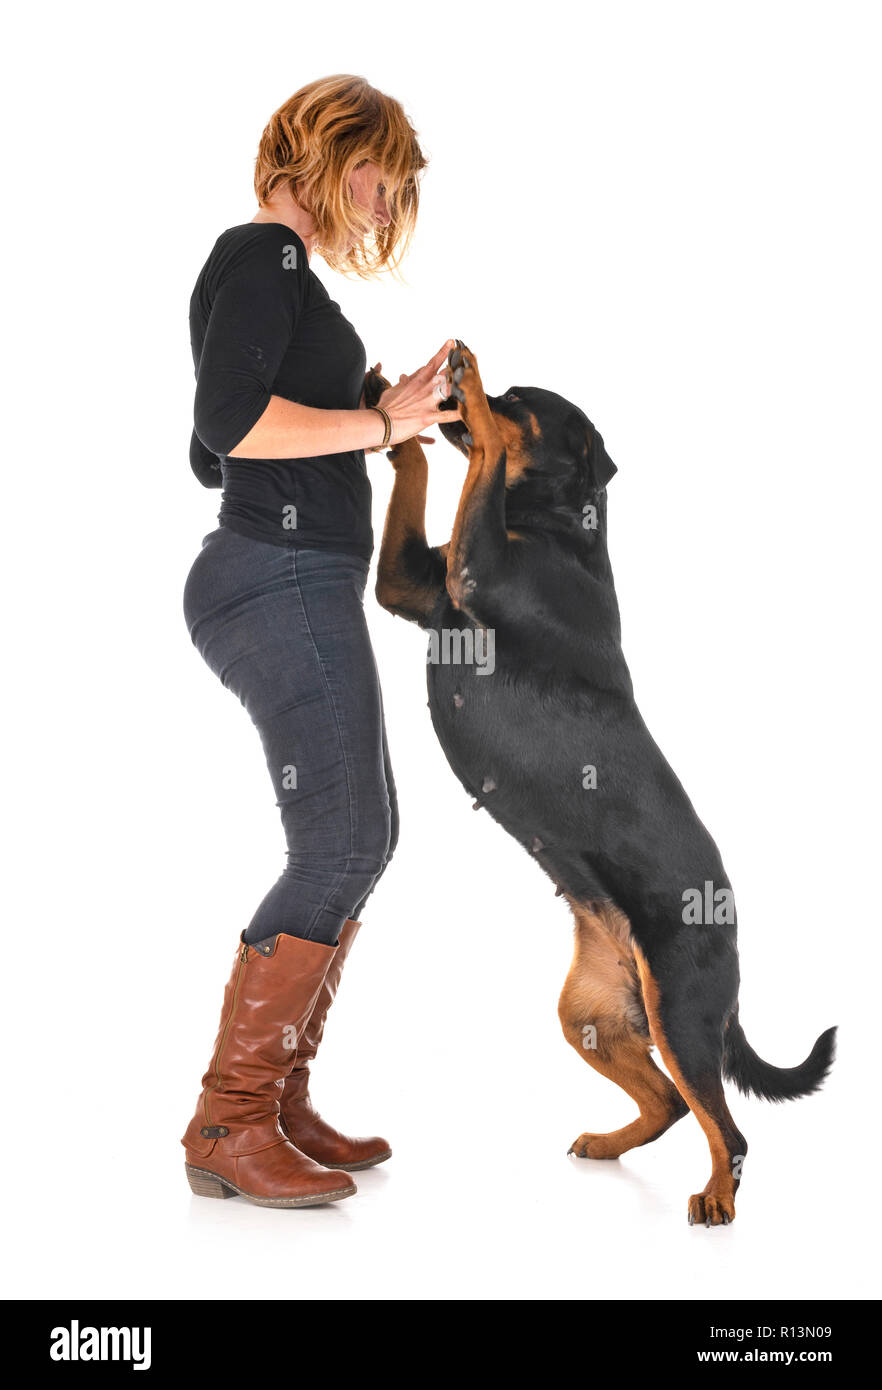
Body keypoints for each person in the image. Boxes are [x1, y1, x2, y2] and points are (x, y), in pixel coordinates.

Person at [180, 74, 459, 1208]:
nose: (384, 215)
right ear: (334, 148)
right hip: (275, 576)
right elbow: (228, 427)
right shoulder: (266, 259)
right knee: (341, 839)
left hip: (292, 576)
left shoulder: (277, 281)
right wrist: (381, 421)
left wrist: (384, 405)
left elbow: (216, 456)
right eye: (380, 184)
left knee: (367, 832)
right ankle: (227, 1121)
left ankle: (277, 1096)